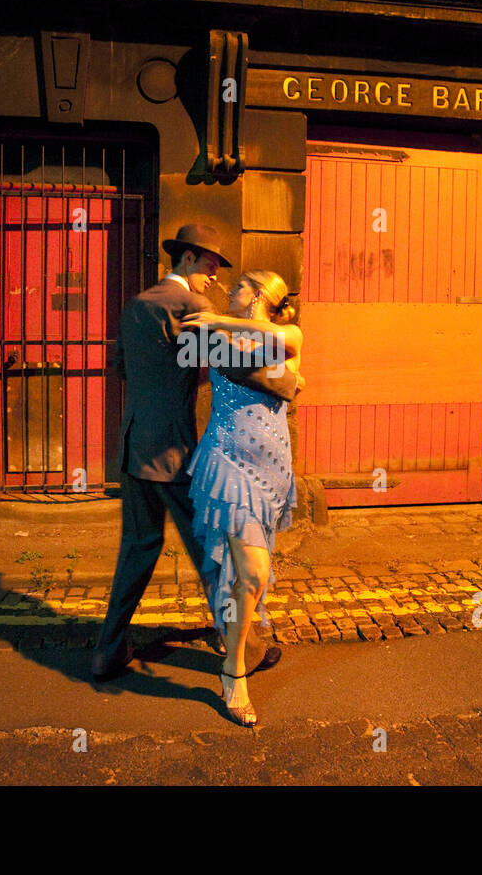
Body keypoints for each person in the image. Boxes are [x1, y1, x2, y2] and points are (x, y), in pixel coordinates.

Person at [91, 225, 294, 683]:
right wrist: (286, 382)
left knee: (138, 550)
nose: (214, 278)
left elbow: (123, 367)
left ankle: (106, 653)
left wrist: (174, 375)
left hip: (133, 446)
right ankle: (246, 649)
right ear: (187, 259)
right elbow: (231, 364)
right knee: (211, 551)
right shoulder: (193, 307)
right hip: (176, 453)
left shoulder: (138, 304)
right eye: (208, 266)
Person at [180, 269, 302, 726]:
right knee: (252, 573)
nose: (228, 290)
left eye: (239, 287)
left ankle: (234, 640)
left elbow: (281, 368)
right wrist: (289, 378)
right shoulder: (216, 342)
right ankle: (234, 674)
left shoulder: (288, 332)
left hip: (273, 470)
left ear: (259, 296)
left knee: (244, 577)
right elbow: (279, 379)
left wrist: (217, 320)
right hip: (229, 465)